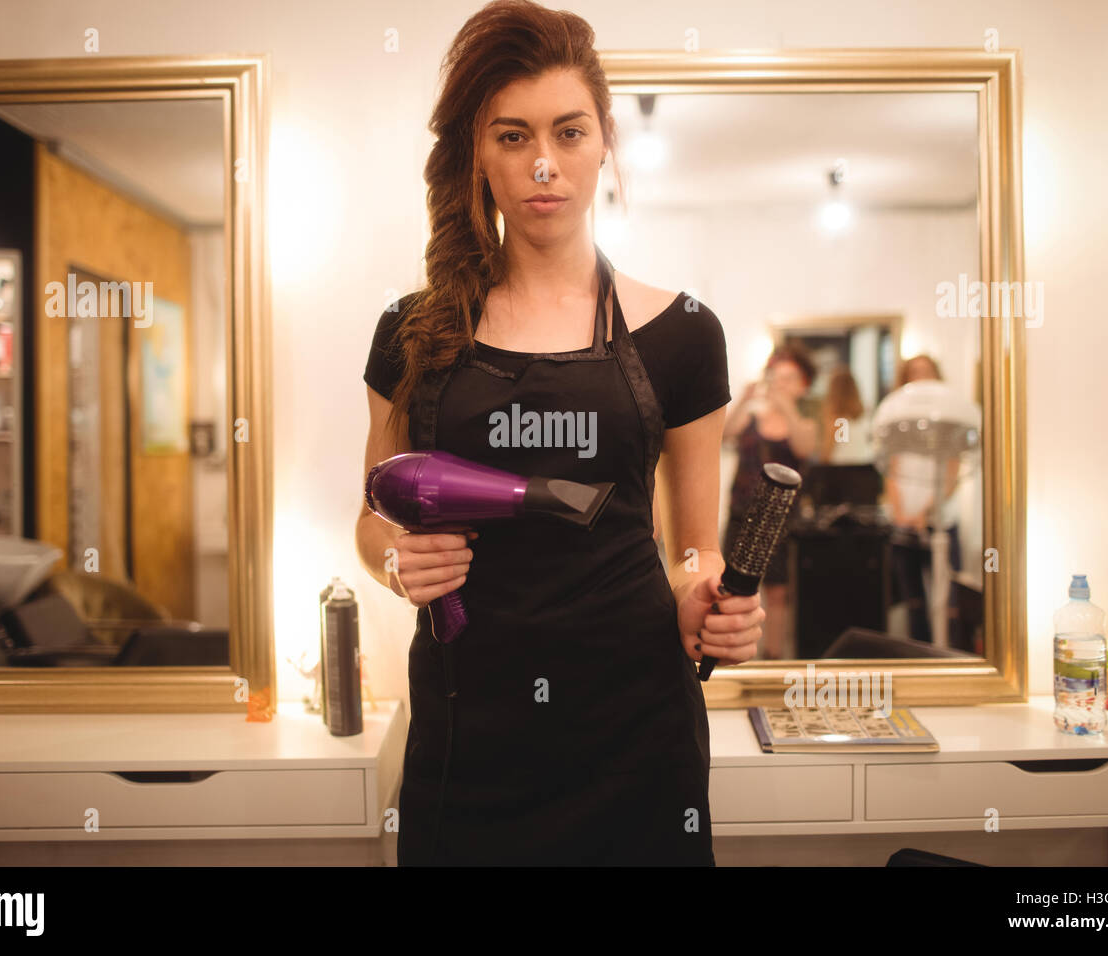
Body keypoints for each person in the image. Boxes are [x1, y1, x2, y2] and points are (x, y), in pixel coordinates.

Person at [356, 0, 762, 866]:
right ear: (478, 151)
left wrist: (706, 601)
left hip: (635, 736)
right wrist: (397, 562)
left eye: (569, 132)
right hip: (469, 740)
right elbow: (371, 518)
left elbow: (697, 550)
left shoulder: (685, 334)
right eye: (512, 137)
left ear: (605, 138)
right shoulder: (412, 333)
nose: (544, 163)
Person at [721, 343, 815, 659]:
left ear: (804, 386)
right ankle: (729, 654)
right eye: (777, 377)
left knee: (777, 592)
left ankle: (772, 656)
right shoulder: (751, 418)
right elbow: (723, 436)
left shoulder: (805, 425)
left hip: (780, 521)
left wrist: (785, 406)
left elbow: (803, 448)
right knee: (731, 587)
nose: (781, 383)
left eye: (790, 378)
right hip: (741, 513)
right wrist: (746, 399)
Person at [883, 353, 962, 643]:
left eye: (926, 372)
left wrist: (926, 514)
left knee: (945, 599)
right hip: (904, 524)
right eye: (914, 373)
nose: (920, 379)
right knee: (913, 599)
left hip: (941, 521)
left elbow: (951, 474)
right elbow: (891, 470)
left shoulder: (951, 421)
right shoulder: (894, 421)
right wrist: (901, 513)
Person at [817, 365, 872, 465]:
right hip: (863, 465)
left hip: (841, 468)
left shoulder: (835, 417)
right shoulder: (865, 412)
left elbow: (828, 449)